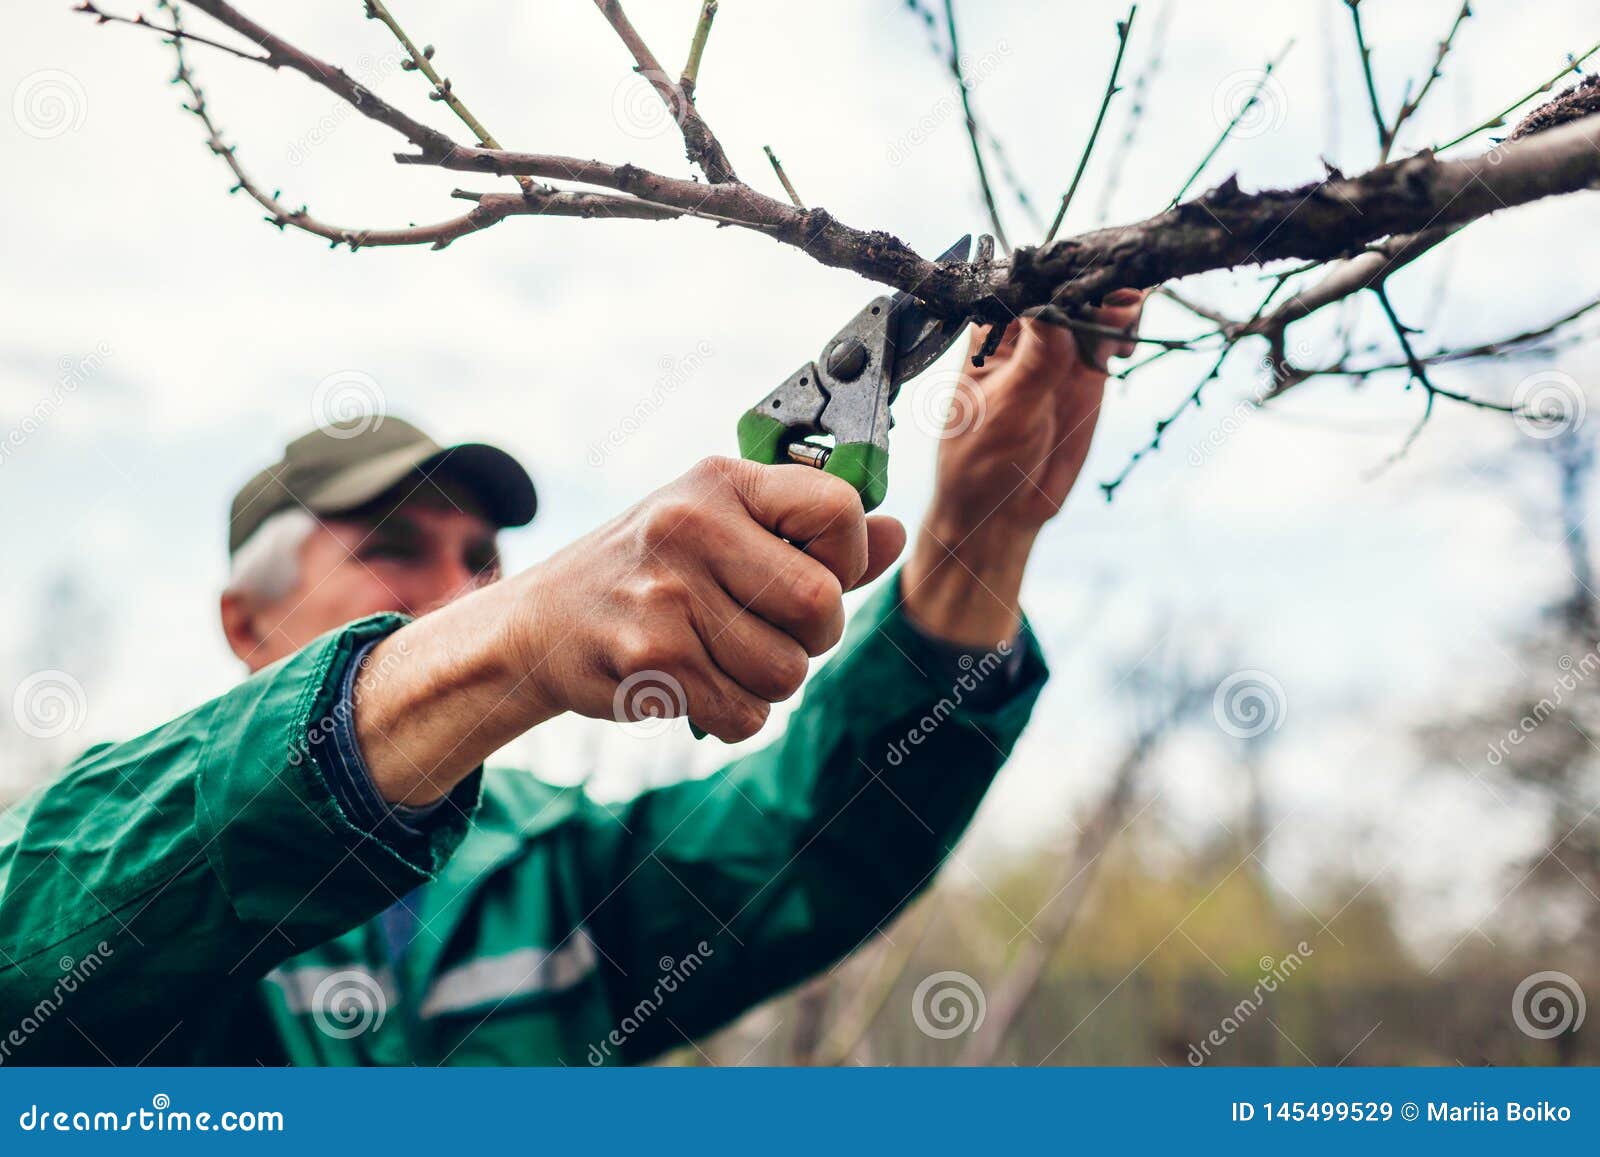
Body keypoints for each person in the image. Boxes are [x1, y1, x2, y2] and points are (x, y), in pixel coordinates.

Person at [0, 301, 1144, 1065]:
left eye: (482, 561)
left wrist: (977, 537)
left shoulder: (561, 872)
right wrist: (508, 640)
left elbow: (814, 837)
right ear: (242, 620)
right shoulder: (117, 871)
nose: (455, 585)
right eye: (396, 542)